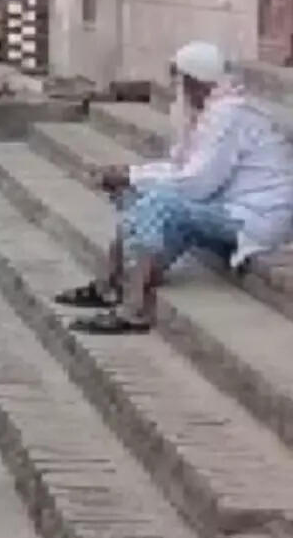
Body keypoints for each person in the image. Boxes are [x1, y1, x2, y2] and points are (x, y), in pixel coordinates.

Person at [57, 41, 293, 334]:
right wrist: (130, 175)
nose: (176, 89)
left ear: (193, 81)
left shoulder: (228, 115)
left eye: (179, 80)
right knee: (140, 195)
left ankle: (134, 310)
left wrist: (132, 177)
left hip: (255, 218)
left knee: (159, 202)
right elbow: (182, 170)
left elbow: (196, 185)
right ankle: (110, 285)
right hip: (227, 207)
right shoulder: (211, 111)